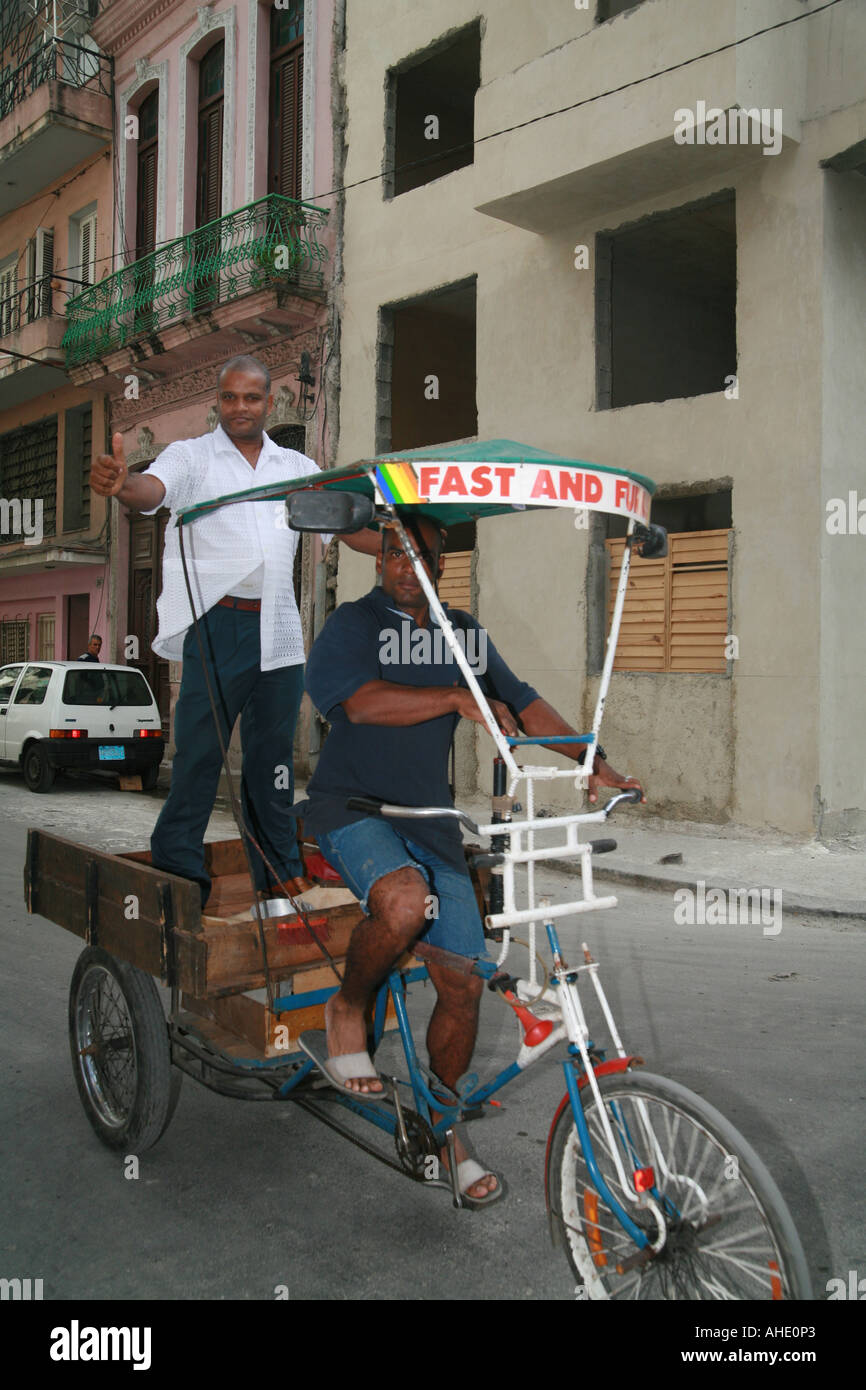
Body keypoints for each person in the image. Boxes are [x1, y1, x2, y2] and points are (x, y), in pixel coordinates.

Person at [298, 513, 644, 1206]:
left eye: (418, 556)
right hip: (351, 809)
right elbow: (359, 706)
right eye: (394, 552)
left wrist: (594, 762)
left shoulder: (463, 635)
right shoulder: (353, 627)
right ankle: (347, 1009)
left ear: (441, 564)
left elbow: (523, 702)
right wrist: (457, 696)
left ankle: (446, 1125)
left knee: (462, 984)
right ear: (379, 559)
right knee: (402, 902)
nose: (403, 566)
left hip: (430, 824)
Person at [90, 355, 379, 906]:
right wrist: (123, 484)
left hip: (278, 628)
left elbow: (338, 526)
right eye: (230, 398)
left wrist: (397, 544)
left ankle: (278, 877)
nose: (240, 407)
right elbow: (152, 492)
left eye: (251, 398)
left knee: (271, 766)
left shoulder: (294, 465)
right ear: (217, 403)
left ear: (269, 403)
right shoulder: (191, 457)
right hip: (217, 627)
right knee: (200, 755)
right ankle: (179, 872)